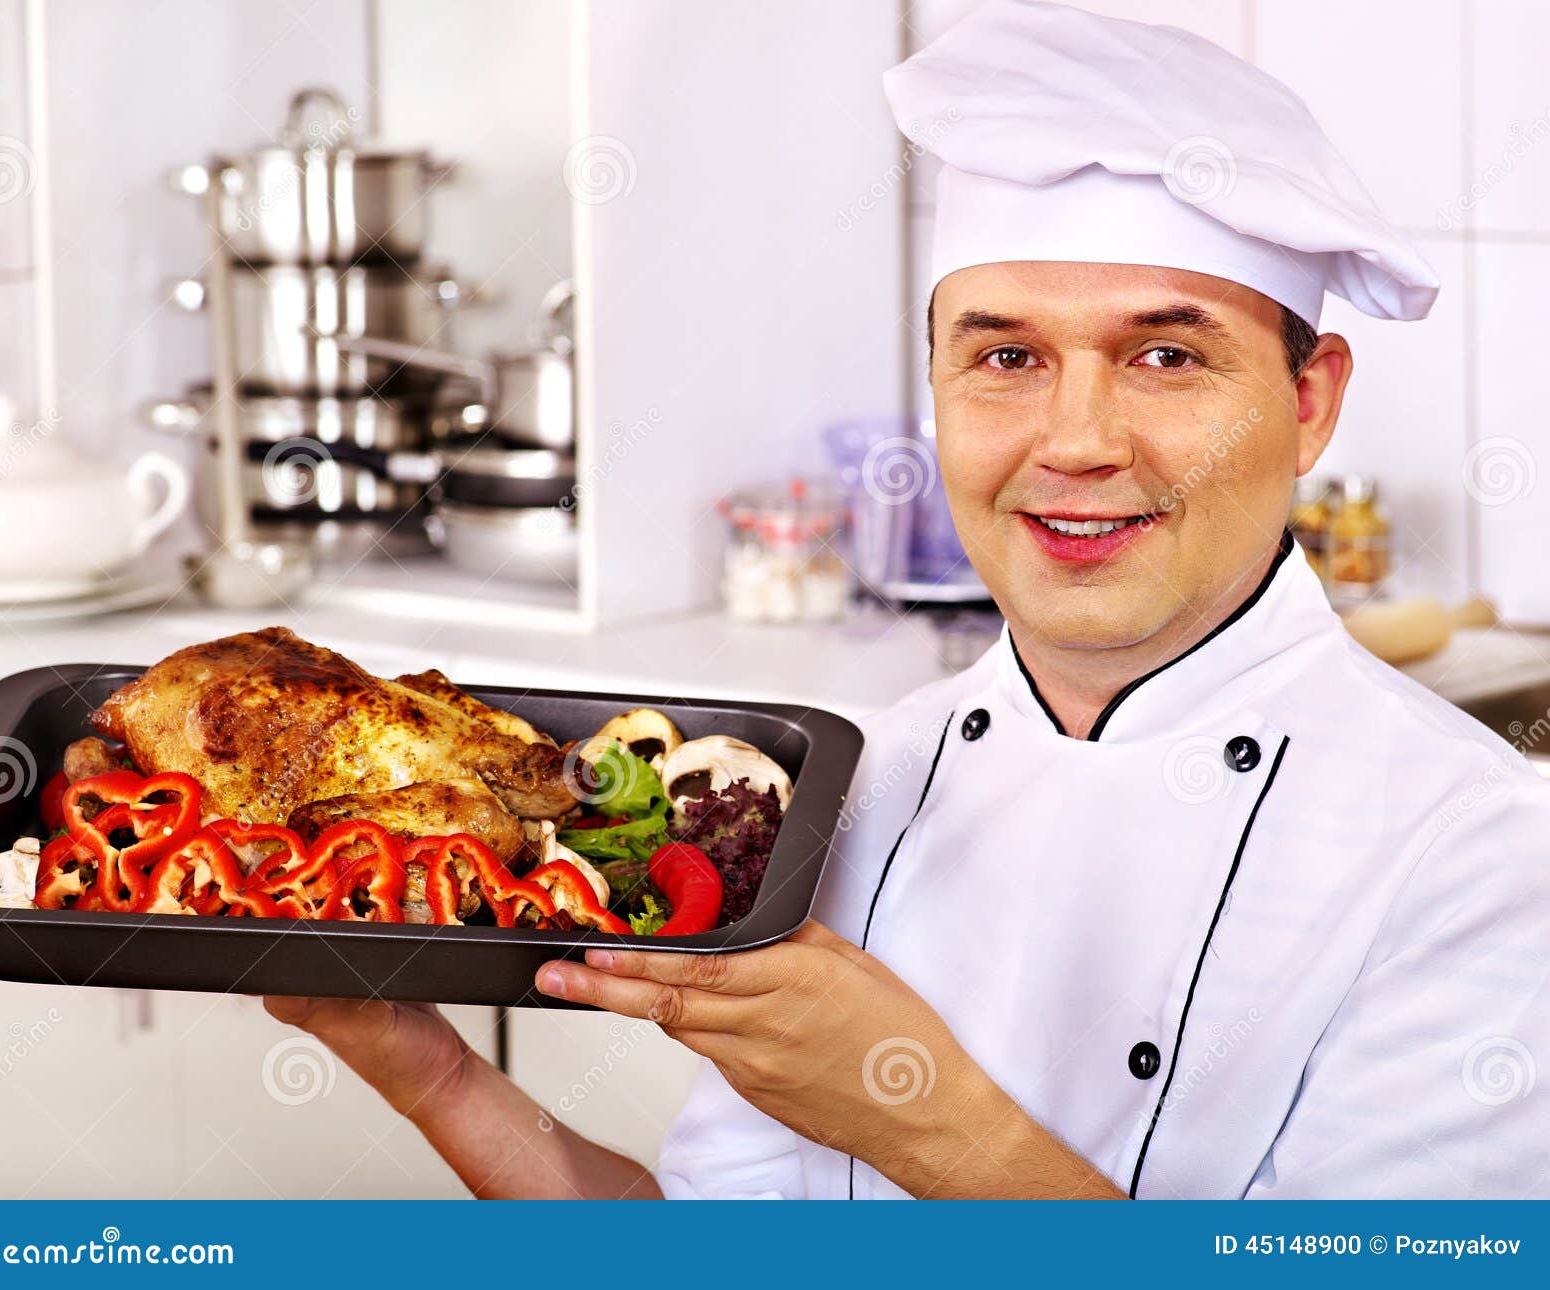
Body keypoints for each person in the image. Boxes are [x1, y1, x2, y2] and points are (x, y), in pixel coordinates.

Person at [266, 1, 1550, 1199]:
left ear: (1311, 399)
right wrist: (432, 1077)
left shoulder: (1474, 857)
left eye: (1165, 356)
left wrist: (914, 1113)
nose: (1076, 441)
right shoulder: (867, 777)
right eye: (1005, 356)